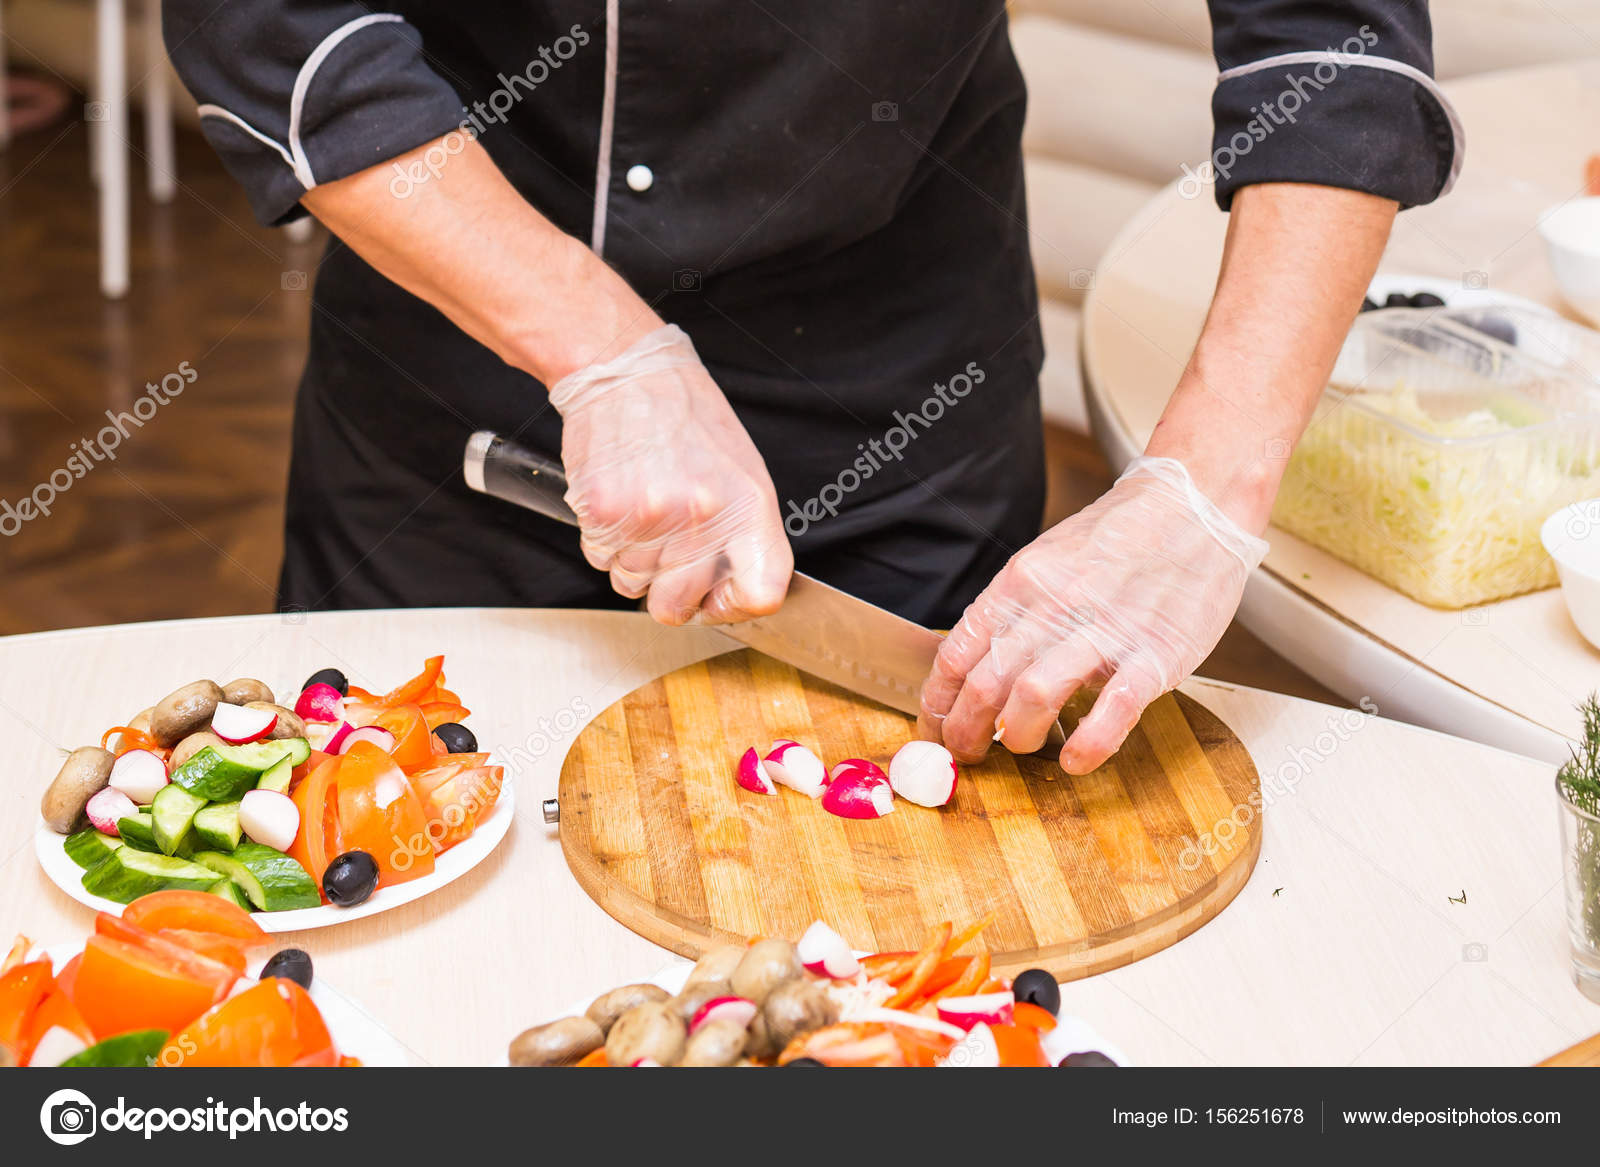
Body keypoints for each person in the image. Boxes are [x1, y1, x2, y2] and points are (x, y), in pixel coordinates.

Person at [163, 2, 1459, 774]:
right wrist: (596, 350)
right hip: (463, 385)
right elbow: (276, 23)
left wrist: (1206, 485)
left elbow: (1330, 38)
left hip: (900, 404)